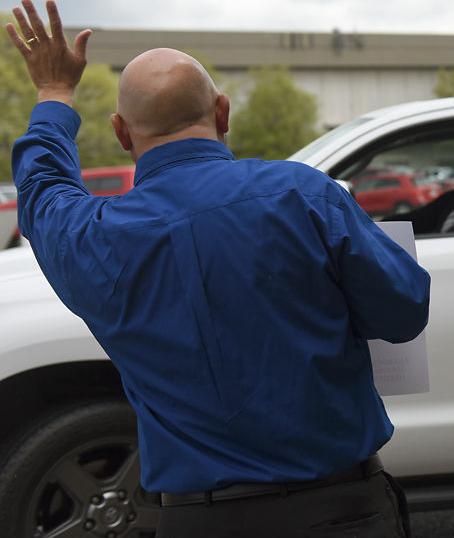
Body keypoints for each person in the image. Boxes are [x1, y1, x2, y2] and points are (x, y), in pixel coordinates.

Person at [5, 2, 428, 537]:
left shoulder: (96, 237)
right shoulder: (302, 194)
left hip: (197, 519)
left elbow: (43, 192)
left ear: (122, 133)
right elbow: (404, 312)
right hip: (343, 509)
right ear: (222, 112)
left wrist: (54, 94)